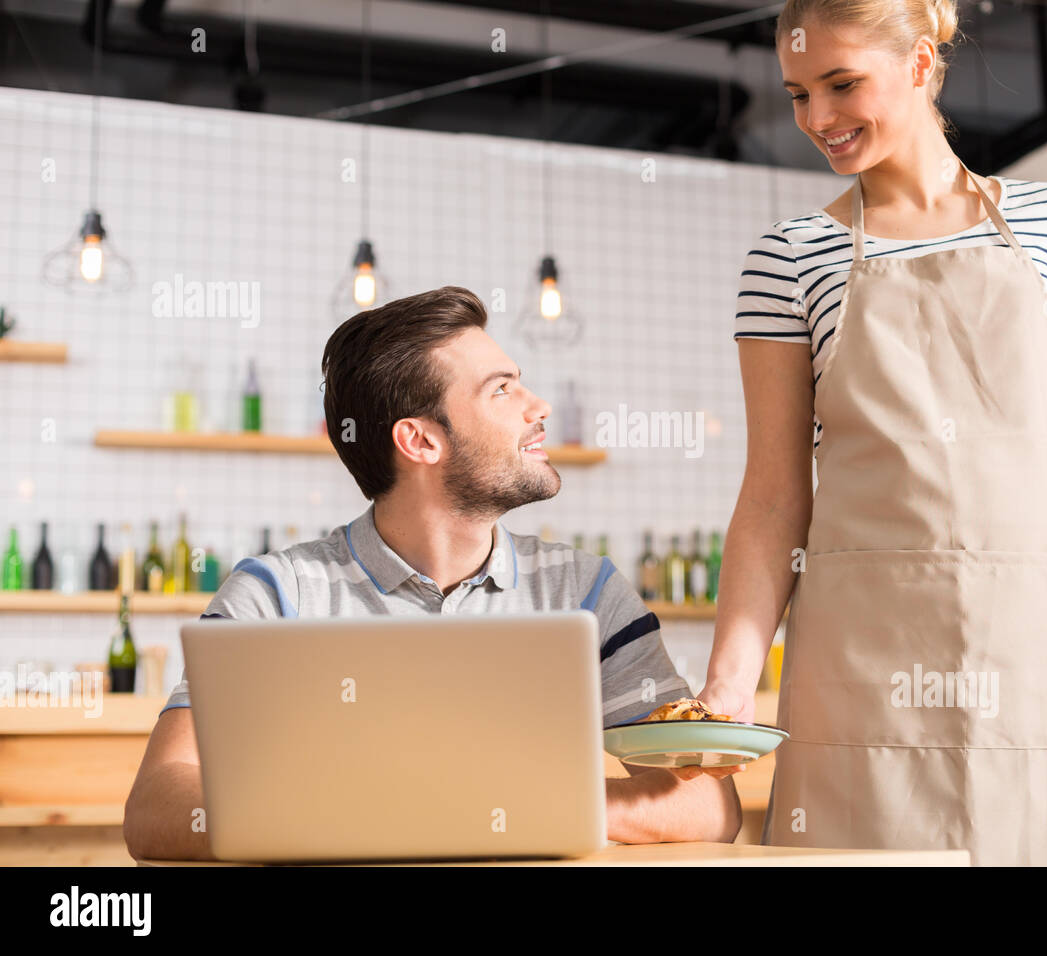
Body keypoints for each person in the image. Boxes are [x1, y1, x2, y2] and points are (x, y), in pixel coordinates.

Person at [689, 0, 1047, 865]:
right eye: (799, 93)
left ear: (921, 64)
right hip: (864, 672)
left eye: (843, 85)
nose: (817, 119)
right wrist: (732, 677)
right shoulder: (788, 257)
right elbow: (772, 496)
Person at [123, 287, 740, 860]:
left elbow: (707, 805)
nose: (538, 406)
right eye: (501, 390)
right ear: (419, 441)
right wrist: (423, 808)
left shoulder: (588, 591)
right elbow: (156, 806)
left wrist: (503, 803)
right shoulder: (276, 593)